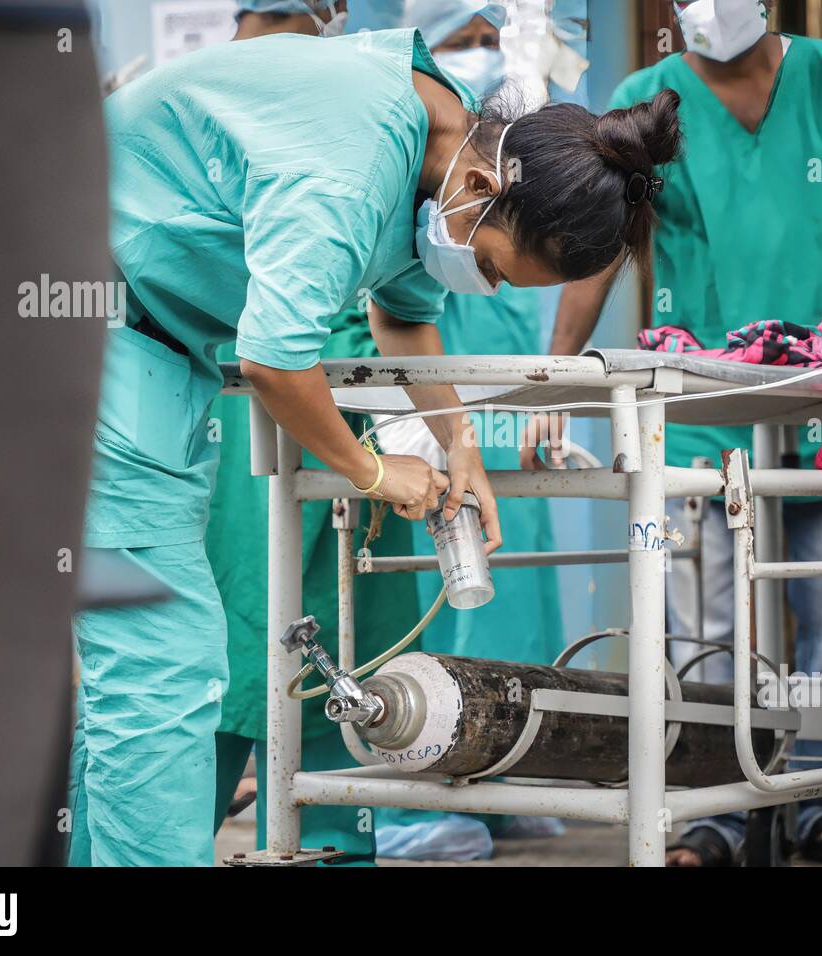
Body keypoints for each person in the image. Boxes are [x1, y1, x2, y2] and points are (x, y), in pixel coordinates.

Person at [68, 23, 682, 865]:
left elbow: (404, 313)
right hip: (89, 316)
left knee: (141, 672)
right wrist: (369, 469)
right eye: (500, 270)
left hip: (150, 348)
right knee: (163, 671)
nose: (488, 283)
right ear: (480, 181)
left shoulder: (439, 140)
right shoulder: (355, 161)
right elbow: (276, 359)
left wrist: (456, 441)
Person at [548, 0, 822, 866]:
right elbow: (607, 245)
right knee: (711, 627)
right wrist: (555, 376)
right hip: (704, 416)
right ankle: (716, 813)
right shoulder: (649, 96)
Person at [208, 0, 419, 868]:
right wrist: (373, 468)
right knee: (218, 661)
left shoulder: (367, 107)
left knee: (345, 668)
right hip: (232, 389)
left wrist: (436, 437)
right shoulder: (206, 103)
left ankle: (330, 846)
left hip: (338, 394)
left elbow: (404, 300)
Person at [370, 0, 567, 863]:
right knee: (434, 596)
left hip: (493, 413)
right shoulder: (412, 189)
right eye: (469, 41)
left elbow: (512, 315)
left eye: (500, 39)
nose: (487, 58)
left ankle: (500, 764)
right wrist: (414, 440)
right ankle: (419, 788)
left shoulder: (519, 217)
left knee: (517, 592)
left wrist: (520, 413)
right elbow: (398, 314)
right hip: (423, 400)